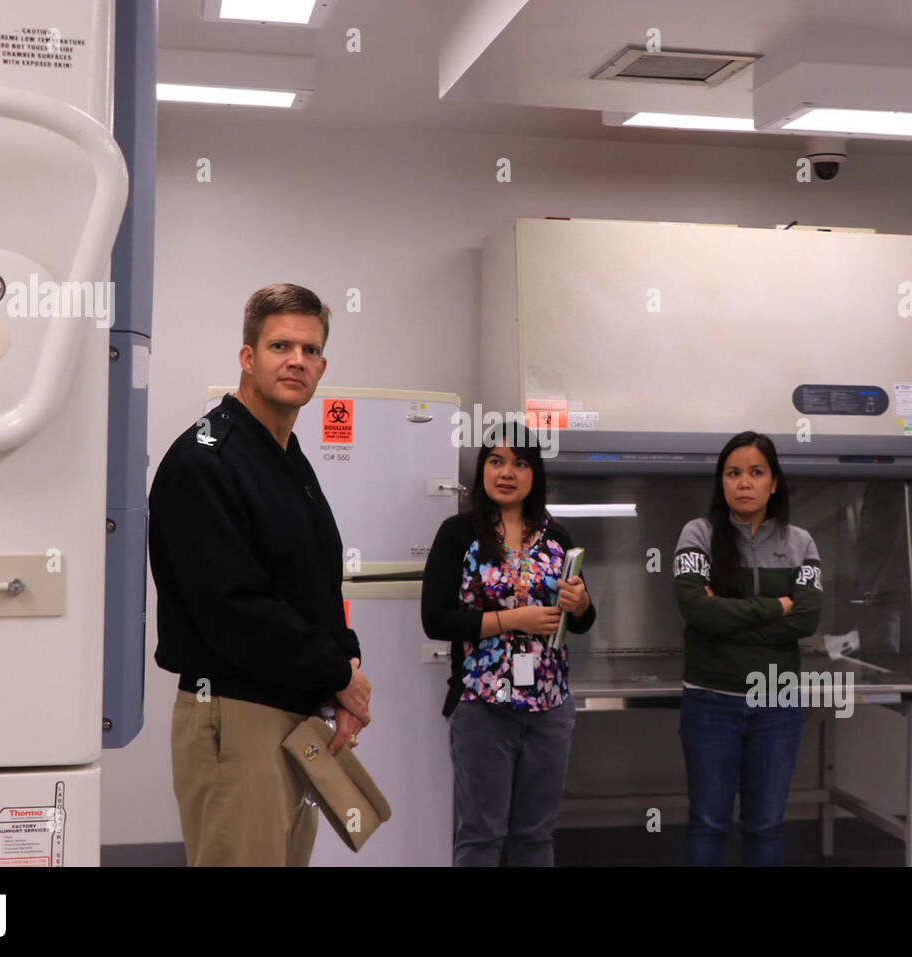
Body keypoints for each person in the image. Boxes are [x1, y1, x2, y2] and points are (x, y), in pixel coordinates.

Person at [148, 283, 373, 867]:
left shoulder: (286, 457)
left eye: (310, 349)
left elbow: (317, 583)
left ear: (322, 365)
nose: (296, 360)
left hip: (297, 711)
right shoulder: (206, 459)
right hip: (235, 712)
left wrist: (343, 670)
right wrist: (333, 673)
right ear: (247, 357)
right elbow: (233, 607)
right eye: (280, 345)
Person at [420, 427, 596, 866]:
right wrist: (513, 620)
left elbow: (583, 622)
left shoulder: (557, 536)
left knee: (535, 837)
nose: (507, 472)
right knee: (481, 836)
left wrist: (582, 603)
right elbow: (435, 619)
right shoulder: (459, 533)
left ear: (535, 474)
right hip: (483, 706)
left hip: (550, 708)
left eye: (520, 463)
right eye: (496, 461)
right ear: (483, 469)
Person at [672, 431, 823, 866]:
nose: (744, 483)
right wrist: (776, 607)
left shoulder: (801, 543)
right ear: (721, 481)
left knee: (766, 825)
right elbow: (696, 611)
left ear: (773, 483)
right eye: (733, 473)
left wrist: (727, 619)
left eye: (756, 473)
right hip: (709, 701)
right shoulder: (697, 535)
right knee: (708, 822)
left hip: (776, 704)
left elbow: (807, 620)